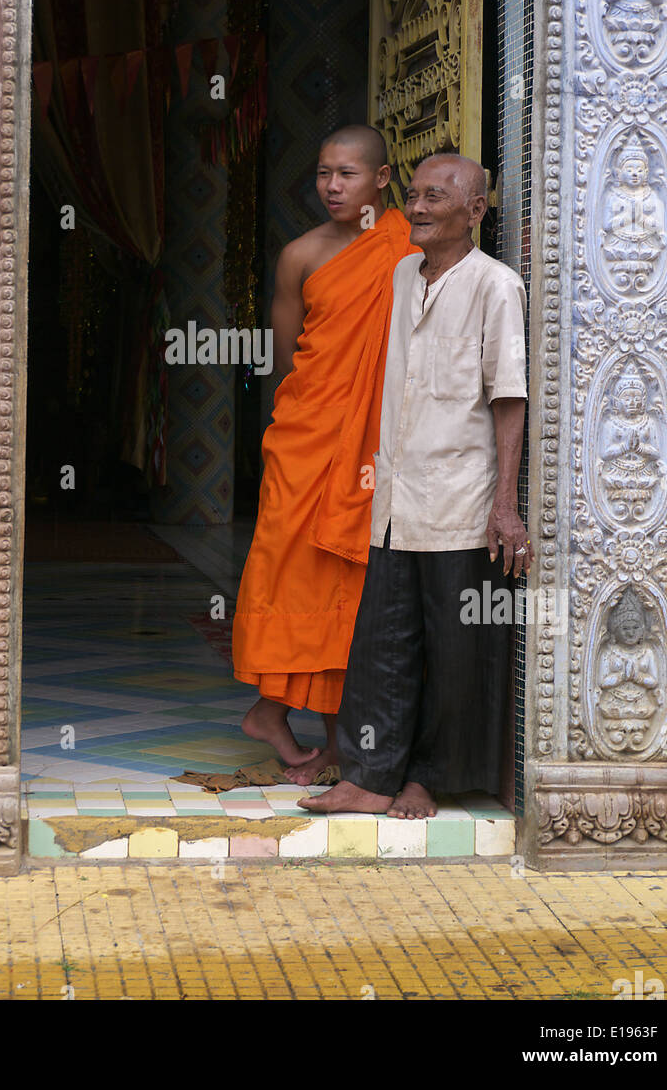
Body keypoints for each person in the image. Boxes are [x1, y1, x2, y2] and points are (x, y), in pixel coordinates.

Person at [301, 152, 531, 818]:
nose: (420, 209)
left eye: (436, 197)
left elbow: (508, 397)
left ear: (475, 210)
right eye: (414, 196)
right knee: (383, 645)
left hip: (463, 500)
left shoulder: (496, 286)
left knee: (457, 653)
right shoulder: (403, 274)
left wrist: (506, 506)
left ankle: (428, 778)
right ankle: (369, 776)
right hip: (397, 501)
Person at [232, 125, 418, 783]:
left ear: (383, 179)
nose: (332, 187)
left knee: (356, 590)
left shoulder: (408, 251)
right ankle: (278, 712)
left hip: (379, 448)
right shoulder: (300, 257)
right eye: (322, 174)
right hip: (307, 445)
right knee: (292, 574)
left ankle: (336, 741)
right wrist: (306, 436)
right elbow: (287, 367)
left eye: (346, 174)